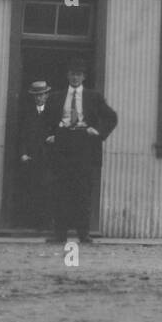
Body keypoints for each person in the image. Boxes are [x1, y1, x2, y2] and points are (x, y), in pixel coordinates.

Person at [43, 59, 117, 243]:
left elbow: (111, 117)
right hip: (62, 144)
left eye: (78, 74)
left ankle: (83, 234)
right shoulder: (56, 97)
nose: (75, 78)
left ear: (84, 77)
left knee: (82, 191)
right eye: (72, 74)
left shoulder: (94, 97)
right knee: (61, 191)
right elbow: (43, 121)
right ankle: (60, 234)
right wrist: (50, 135)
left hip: (84, 145)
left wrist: (98, 132)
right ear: (67, 76)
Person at [18, 80, 55, 229]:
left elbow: (59, 130)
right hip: (32, 157)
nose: (39, 98)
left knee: (48, 189)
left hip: (48, 157)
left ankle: (48, 223)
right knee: (32, 189)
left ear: (47, 95)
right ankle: (33, 223)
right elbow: (22, 135)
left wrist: (55, 137)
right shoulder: (27, 113)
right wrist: (23, 153)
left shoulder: (53, 112)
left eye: (42, 95)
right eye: (36, 96)